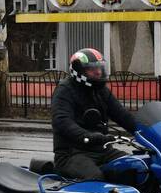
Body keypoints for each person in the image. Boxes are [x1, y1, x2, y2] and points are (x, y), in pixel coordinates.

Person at [50, 47, 139, 181]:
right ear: (79, 71)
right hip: (72, 154)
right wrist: (88, 136)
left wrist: (149, 130)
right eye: (92, 69)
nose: (98, 72)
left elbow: (123, 116)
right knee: (94, 177)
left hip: (102, 150)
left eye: (100, 68)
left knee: (137, 167)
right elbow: (62, 121)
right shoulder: (65, 91)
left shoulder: (100, 90)